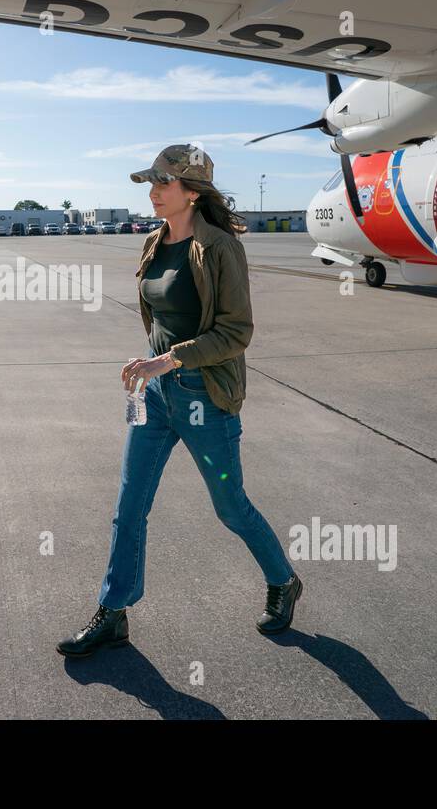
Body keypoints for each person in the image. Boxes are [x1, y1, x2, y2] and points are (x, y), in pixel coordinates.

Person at [57, 145, 301, 658]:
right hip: (156, 394)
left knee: (230, 508)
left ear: (192, 192)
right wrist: (150, 361)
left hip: (203, 397)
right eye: (151, 183)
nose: (153, 192)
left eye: (162, 183)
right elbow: (161, 317)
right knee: (129, 506)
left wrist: (169, 360)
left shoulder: (220, 248)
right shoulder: (154, 241)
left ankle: (283, 580)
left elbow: (236, 332)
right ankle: (113, 611)